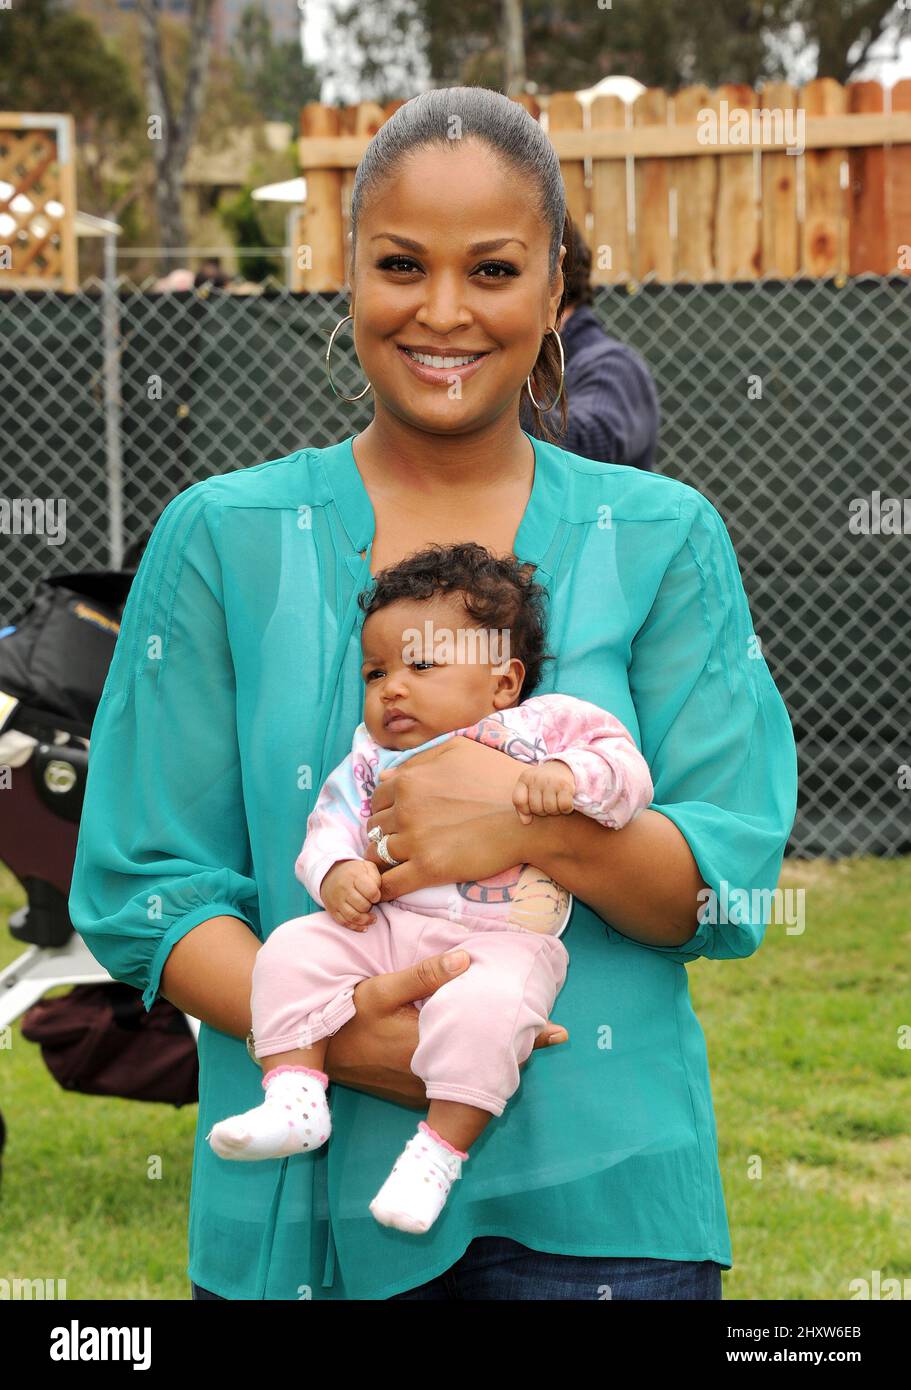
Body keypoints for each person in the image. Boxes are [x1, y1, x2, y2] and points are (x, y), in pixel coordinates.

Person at [68, 85, 798, 1301]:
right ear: (345, 273)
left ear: (556, 289)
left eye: (494, 268)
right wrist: (350, 1040)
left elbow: (719, 884)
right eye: (400, 263)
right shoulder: (221, 538)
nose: (443, 311)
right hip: (295, 1216)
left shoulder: (663, 536)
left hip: (596, 1214)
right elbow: (147, 884)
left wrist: (523, 819)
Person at [206, 542, 653, 1237]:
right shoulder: (368, 757)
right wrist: (336, 873)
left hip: (500, 939)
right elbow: (329, 823)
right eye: (375, 670)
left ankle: (436, 1155)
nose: (391, 687)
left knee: (489, 1013)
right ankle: (294, 1093)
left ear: (503, 683)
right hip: (388, 930)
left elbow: (624, 769)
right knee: (291, 949)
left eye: (420, 664)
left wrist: (569, 778)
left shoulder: (540, 728)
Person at [520, 220, 660, 469]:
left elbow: (590, 447)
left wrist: (500, 402)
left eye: (496, 271)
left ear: (555, 283)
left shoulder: (612, 364)